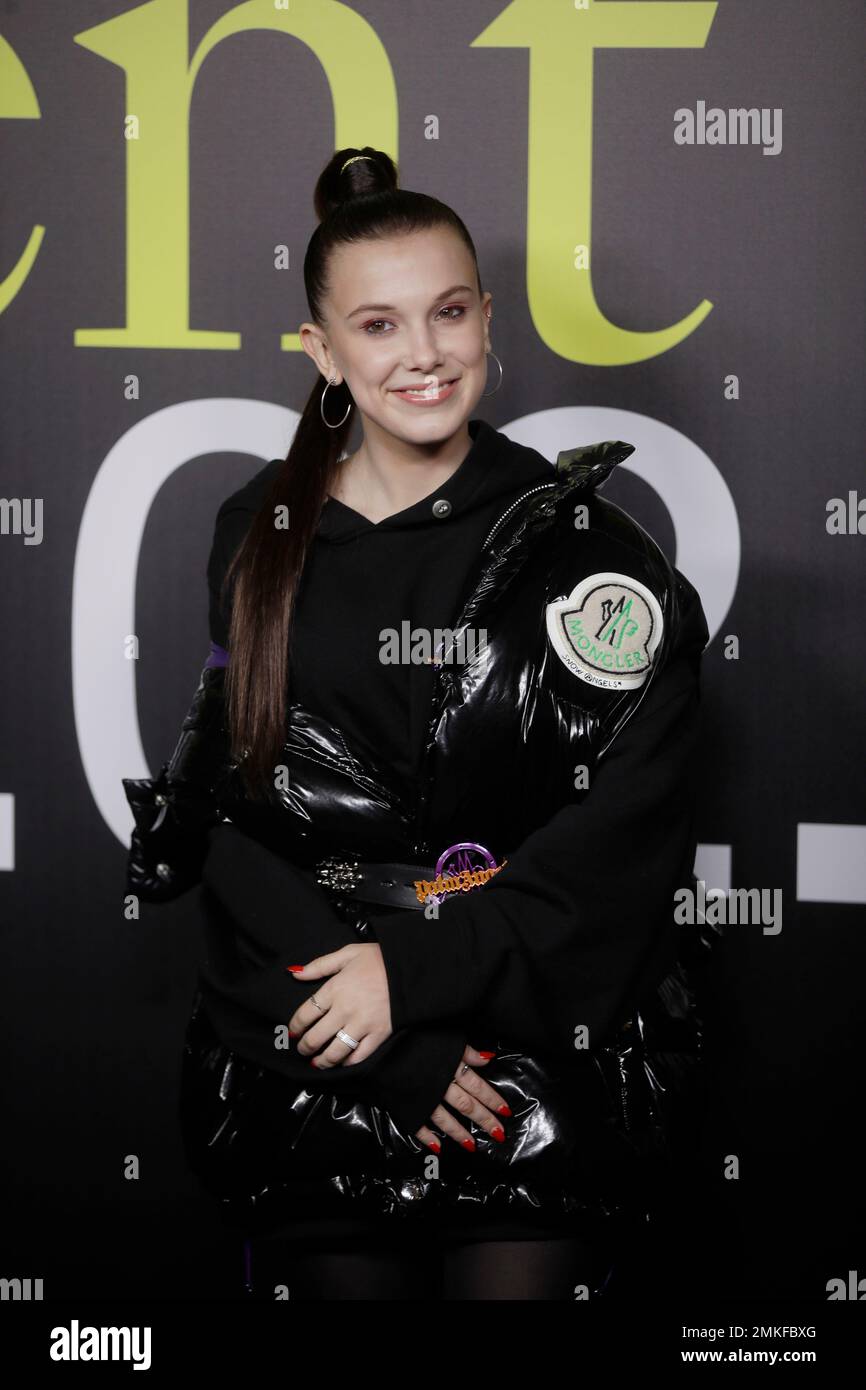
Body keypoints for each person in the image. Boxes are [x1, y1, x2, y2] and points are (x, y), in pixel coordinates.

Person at [123, 147, 712, 1300]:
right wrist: (381, 1036)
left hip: (525, 1071)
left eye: (447, 312)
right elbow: (231, 818)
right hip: (321, 1053)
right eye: (378, 325)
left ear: (488, 318)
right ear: (323, 352)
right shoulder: (261, 530)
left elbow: (623, 838)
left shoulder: (587, 551)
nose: (423, 353)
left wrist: (420, 975)